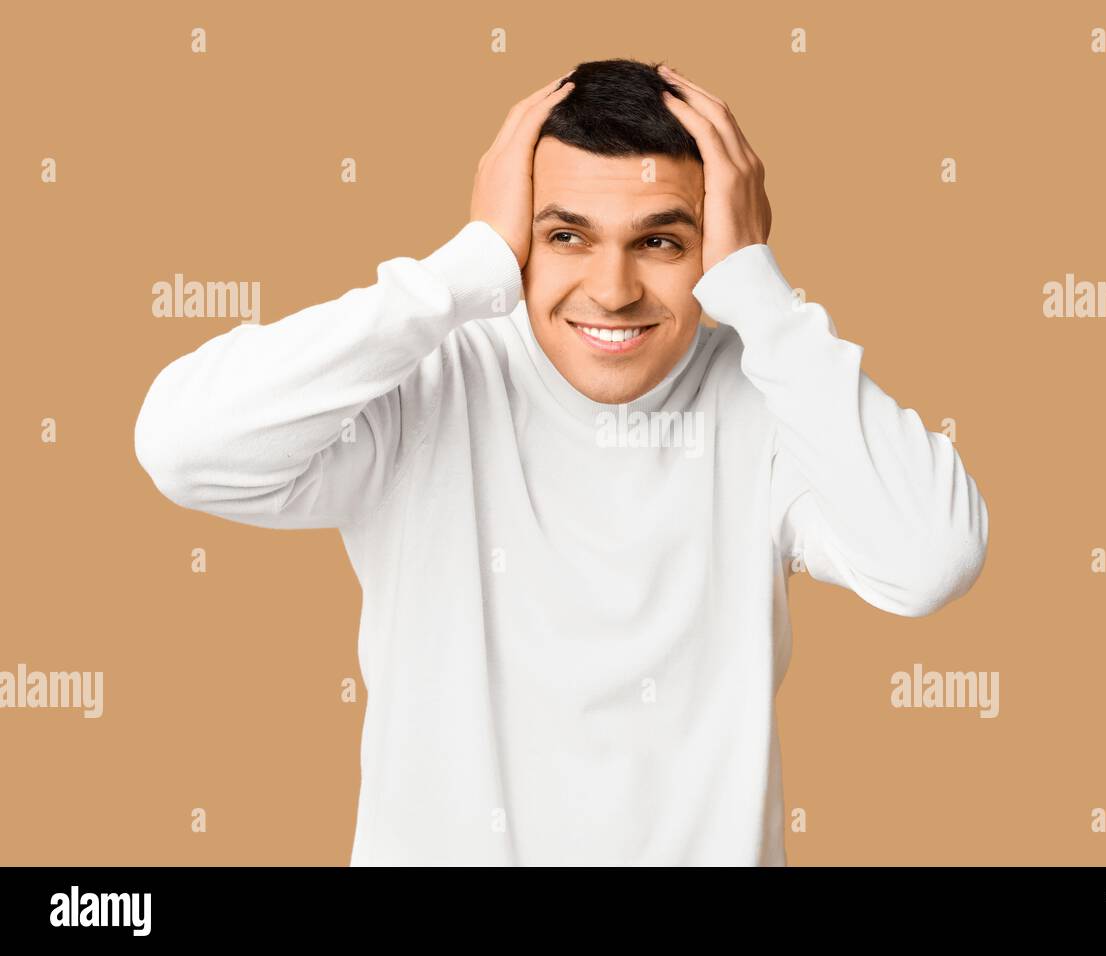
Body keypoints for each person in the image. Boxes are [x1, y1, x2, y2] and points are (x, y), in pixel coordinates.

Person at [133, 58, 990, 866]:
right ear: (516, 238)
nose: (613, 289)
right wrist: (461, 271)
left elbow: (929, 558)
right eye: (568, 235)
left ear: (719, 248)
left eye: (660, 242)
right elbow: (184, 448)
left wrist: (763, 298)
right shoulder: (429, 379)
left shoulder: (771, 401)